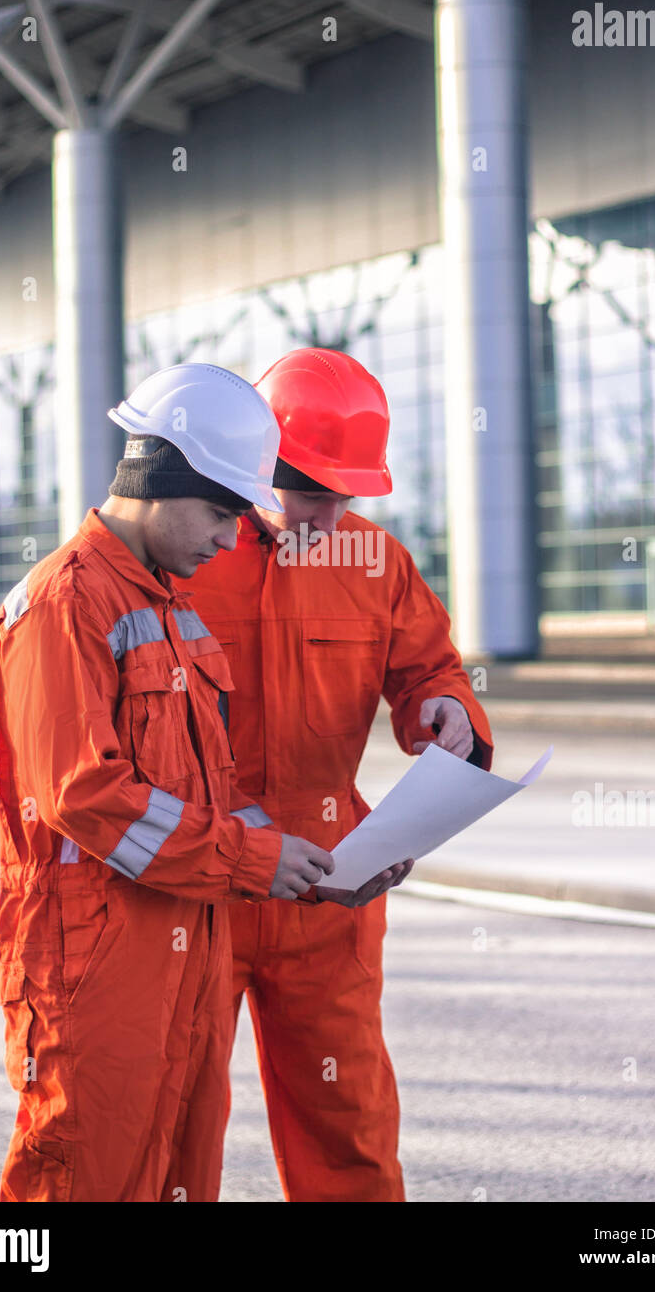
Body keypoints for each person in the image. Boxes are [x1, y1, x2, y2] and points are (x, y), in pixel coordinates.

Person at [0, 363, 338, 1203]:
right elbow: (85, 796)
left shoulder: (173, 609)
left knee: (180, 1184)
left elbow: (201, 791)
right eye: (219, 513)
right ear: (158, 481)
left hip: (185, 958)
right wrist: (252, 860)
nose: (228, 540)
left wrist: (317, 862)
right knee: (78, 1185)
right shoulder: (66, 603)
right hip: (94, 972)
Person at [173, 347, 494, 1202]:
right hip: (197, 886)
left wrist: (446, 708)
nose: (330, 511)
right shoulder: (185, 553)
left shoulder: (376, 563)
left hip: (328, 884)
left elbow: (431, 669)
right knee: (174, 1119)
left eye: (346, 492)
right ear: (258, 463)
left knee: (346, 1121)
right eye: (313, 489)